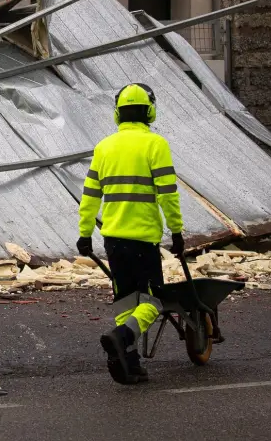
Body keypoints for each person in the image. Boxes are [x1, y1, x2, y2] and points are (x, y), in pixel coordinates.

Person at [76, 83, 183, 385]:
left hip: (113, 239)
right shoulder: (155, 144)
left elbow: (90, 196)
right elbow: (168, 194)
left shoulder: (104, 147)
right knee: (153, 301)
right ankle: (121, 338)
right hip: (143, 239)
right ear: (150, 112)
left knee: (125, 302)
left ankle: (130, 365)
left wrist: (85, 234)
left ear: (117, 114)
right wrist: (176, 230)